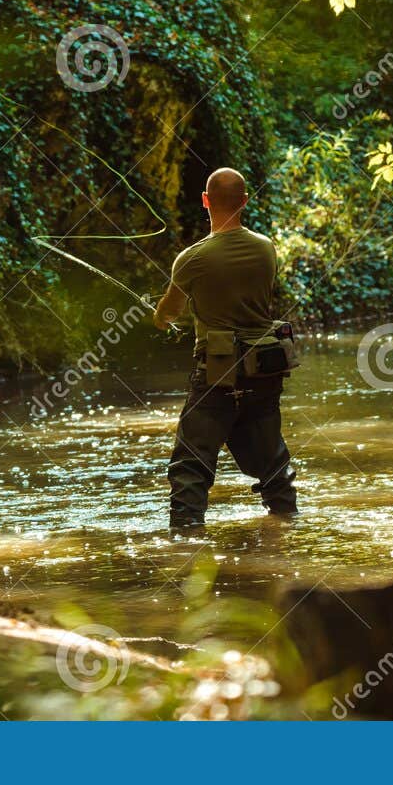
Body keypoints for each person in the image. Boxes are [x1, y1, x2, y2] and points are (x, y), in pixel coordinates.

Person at [152, 168, 297, 531]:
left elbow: (167, 314)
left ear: (205, 201)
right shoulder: (266, 248)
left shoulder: (191, 259)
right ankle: (287, 529)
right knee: (272, 462)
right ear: (245, 201)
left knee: (191, 467)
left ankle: (185, 545)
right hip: (264, 368)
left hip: (216, 374)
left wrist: (159, 317)